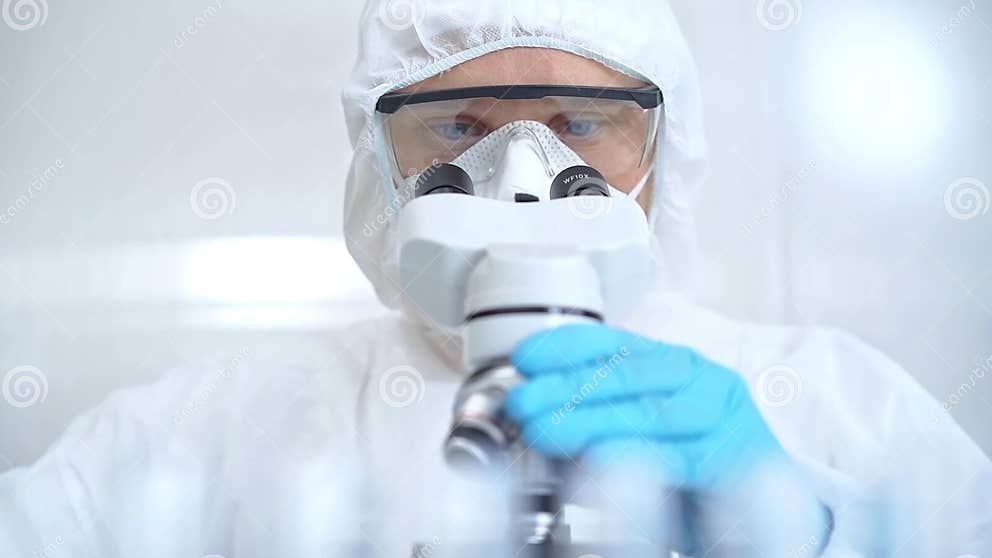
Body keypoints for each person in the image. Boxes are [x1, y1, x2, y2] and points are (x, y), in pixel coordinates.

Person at [2, 1, 989, 556]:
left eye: (575, 125)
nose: (521, 181)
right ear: (377, 163)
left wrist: (815, 526)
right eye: (459, 128)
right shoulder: (212, 429)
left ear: (661, 150)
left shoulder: (823, 402)